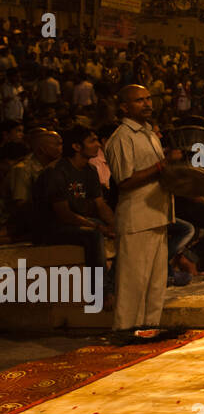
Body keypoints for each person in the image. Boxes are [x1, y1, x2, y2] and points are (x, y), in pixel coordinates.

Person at [104, 85, 174, 333]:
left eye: (148, 99)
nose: (147, 104)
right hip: (137, 216)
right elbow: (124, 181)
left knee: (155, 282)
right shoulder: (122, 137)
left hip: (157, 213)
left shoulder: (149, 134)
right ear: (124, 107)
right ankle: (125, 331)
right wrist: (162, 166)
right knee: (133, 281)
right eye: (139, 101)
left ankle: (148, 329)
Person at [34, 125, 115, 274]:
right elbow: (64, 214)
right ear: (77, 146)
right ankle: (99, 290)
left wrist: (115, 224)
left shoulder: (90, 170)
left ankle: (114, 283)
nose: (98, 144)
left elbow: (100, 204)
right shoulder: (56, 171)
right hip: (54, 225)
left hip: (82, 220)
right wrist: (98, 227)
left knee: (125, 230)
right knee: (94, 235)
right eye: (92, 141)